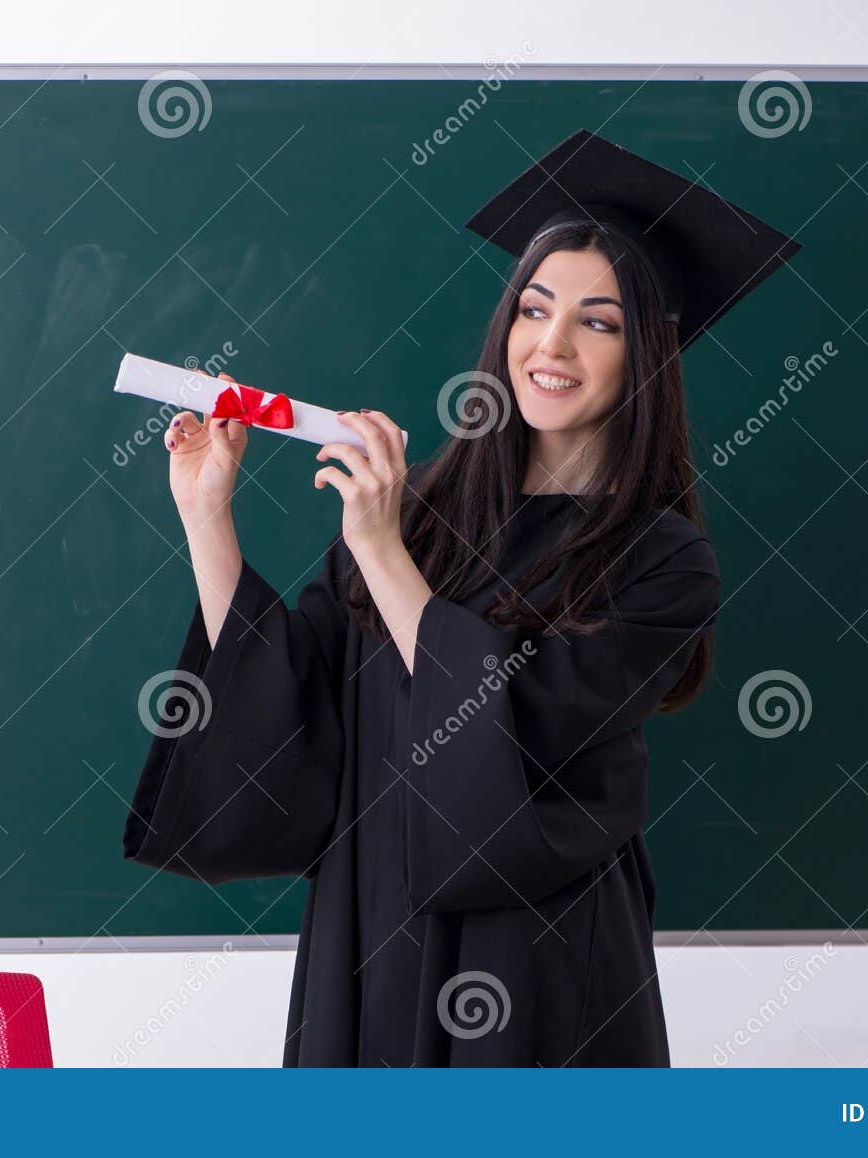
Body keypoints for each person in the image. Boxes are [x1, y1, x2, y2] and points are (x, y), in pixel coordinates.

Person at [121, 130, 801, 1066]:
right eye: (534, 309)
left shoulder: (663, 562)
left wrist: (381, 549)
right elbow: (297, 698)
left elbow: (513, 727)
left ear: (645, 353)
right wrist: (207, 517)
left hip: (535, 954)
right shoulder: (423, 511)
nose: (551, 345)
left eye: (599, 323)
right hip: (370, 931)